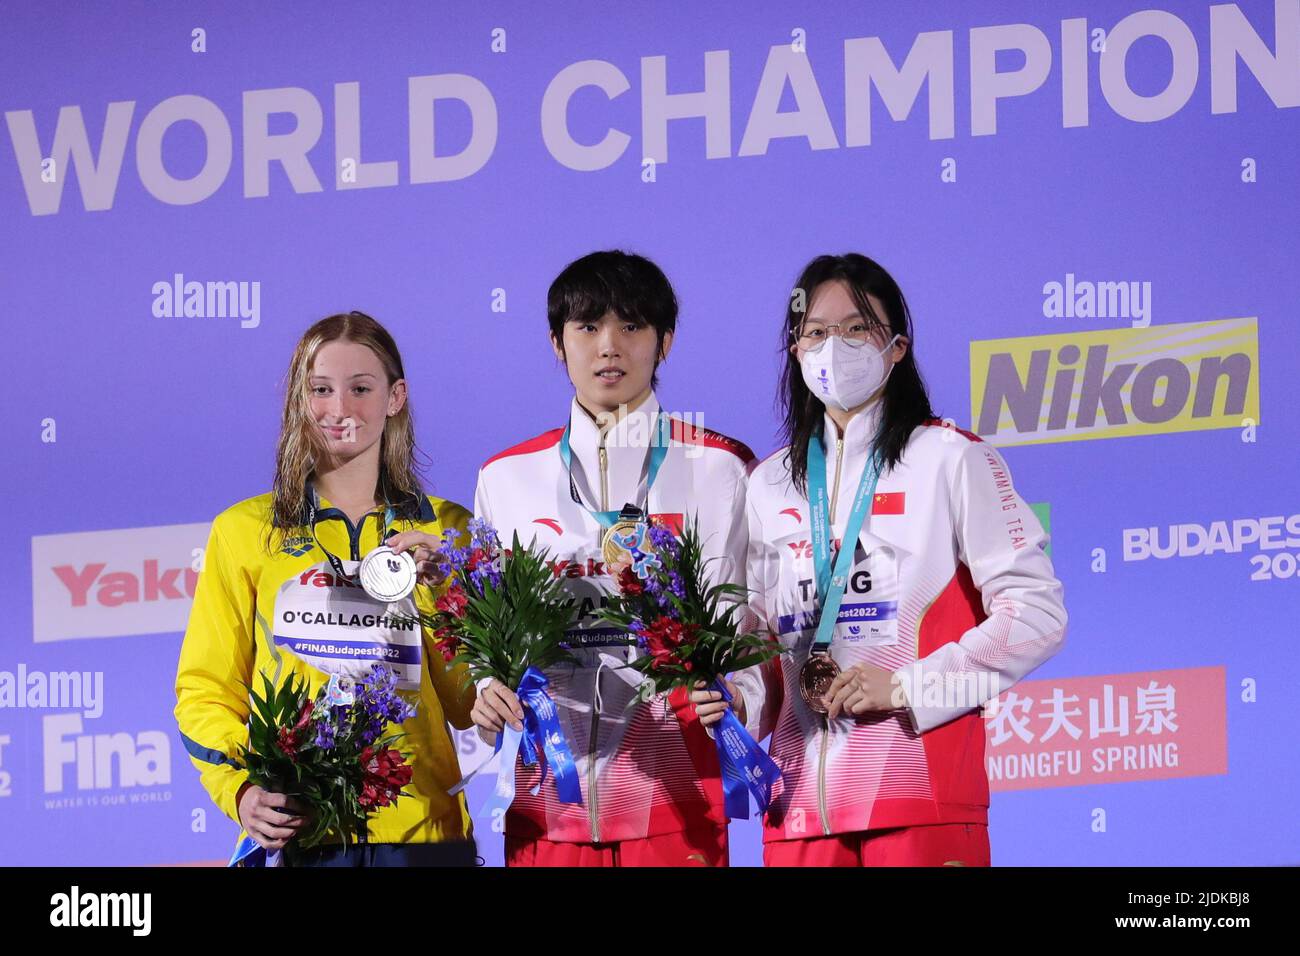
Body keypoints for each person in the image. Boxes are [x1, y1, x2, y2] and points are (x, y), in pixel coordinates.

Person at [710, 253, 1067, 866]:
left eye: (857, 328)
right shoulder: (766, 485)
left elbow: (1036, 614)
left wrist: (906, 685)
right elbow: (760, 646)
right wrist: (738, 705)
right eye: (816, 332)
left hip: (919, 798)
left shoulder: (952, 458)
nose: (834, 347)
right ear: (795, 351)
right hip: (795, 810)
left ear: (897, 346)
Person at [464, 250, 758, 866]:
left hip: (678, 800)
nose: (609, 347)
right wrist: (489, 684)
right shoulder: (505, 476)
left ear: (665, 342)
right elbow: (490, 633)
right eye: (588, 326)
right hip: (547, 805)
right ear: (556, 343)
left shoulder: (721, 467)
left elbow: (755, 620)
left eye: (631, 326)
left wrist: (739, 692)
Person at [175, 311, 479, 867]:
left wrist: (447, 588)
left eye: (361, 388)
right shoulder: (244, 532)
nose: (340, 409)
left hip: (425, 835)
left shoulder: (448, 529)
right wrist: (241, 792)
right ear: (299, 400)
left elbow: (468, 703)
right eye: (321, 389)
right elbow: (205, 691)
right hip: (303, 834)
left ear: (395, 397)